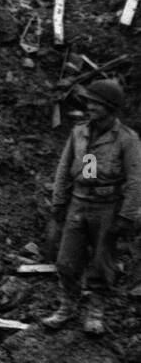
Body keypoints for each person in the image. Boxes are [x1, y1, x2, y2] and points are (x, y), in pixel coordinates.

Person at [44, 79, 141, 335]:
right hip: (78, 202)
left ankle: (95, 312)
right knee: (65, 261)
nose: (89, 107)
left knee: (101, 262)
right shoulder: (79, 132)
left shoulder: (127, 139)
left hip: (107, 206)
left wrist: (127, 217)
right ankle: (66, 306)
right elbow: (64, 169)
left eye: (96, 104)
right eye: (89, 102)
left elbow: (135, 180)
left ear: (110, 108)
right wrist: (58, 202)